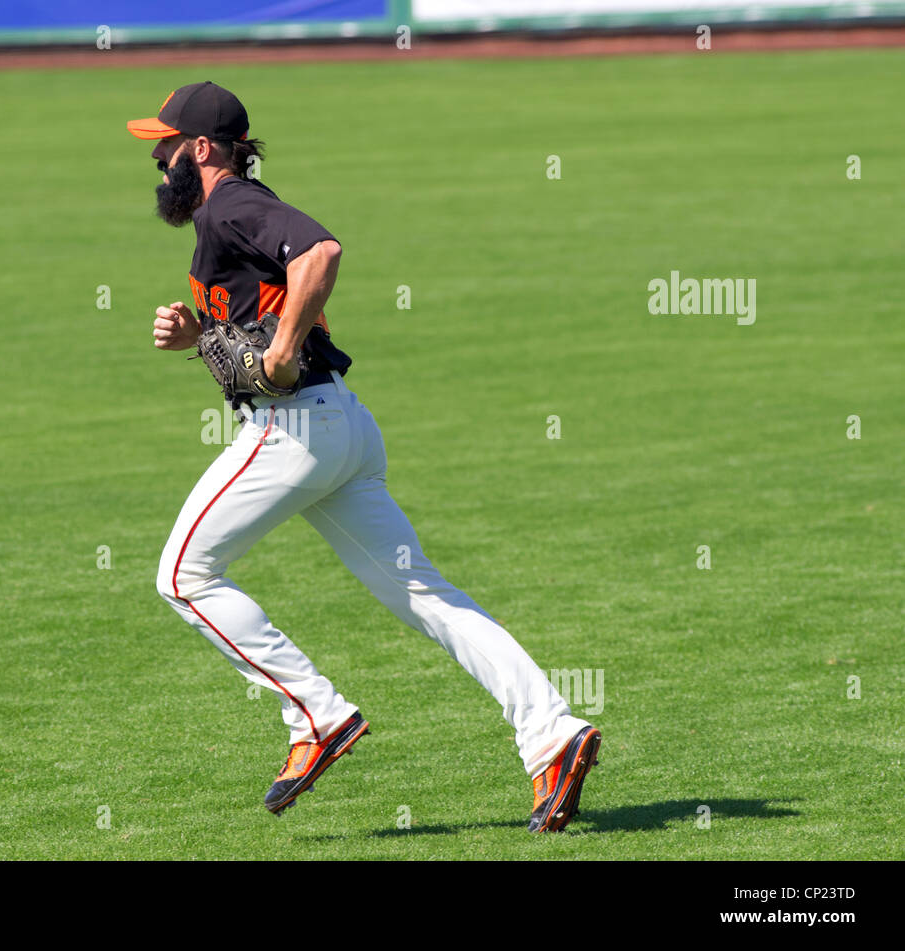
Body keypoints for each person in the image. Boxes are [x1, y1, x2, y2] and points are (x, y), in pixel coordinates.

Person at [128, 81, 600, 829]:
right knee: (430, 599)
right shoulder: (227, 216)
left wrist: (281, 350)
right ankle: (554, 733)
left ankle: (315, 713)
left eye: (166, 144)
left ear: (203, 149)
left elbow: (320, 250)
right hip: (340, 427)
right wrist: (201, 336)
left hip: (294, 432)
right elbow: (264, 306)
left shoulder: (230, 205)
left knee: (182, 575)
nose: (157, 157)